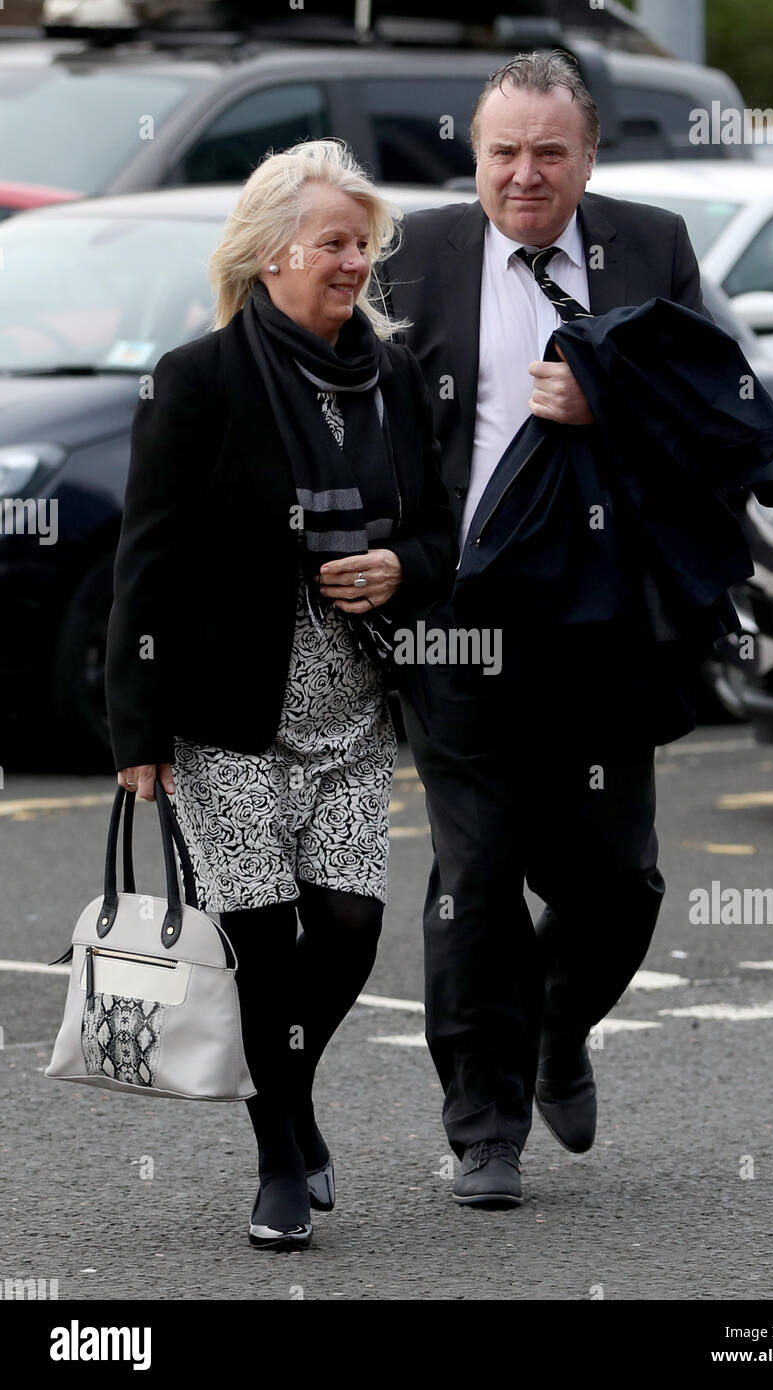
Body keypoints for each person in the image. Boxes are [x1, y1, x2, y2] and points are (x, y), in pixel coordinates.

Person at [104, 139, 457, 1249]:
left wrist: (401, 563)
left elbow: (445, 529)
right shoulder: (197, 378)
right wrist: (136, 727)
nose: (354, 263)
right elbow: (144, 563)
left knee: (347, 928)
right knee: (261, 940)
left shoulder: (394, 375)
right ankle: (281, 1149)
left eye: (365, 243)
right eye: (333, 242)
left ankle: (288, 1101)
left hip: (353, 706)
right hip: (228, 716)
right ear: (270, 253)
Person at [379, 51, 710, 1208]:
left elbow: (708, 410)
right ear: (473, 153)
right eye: (501, 152)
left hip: (601, 625)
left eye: (547, 153)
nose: (523, 175)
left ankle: (555, 1030)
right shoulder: (412, 253)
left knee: (616, 881)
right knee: (475, 870)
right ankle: (484, 1128)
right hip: (456, 627)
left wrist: (608, 395)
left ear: (587, 157)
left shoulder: (653, 244)